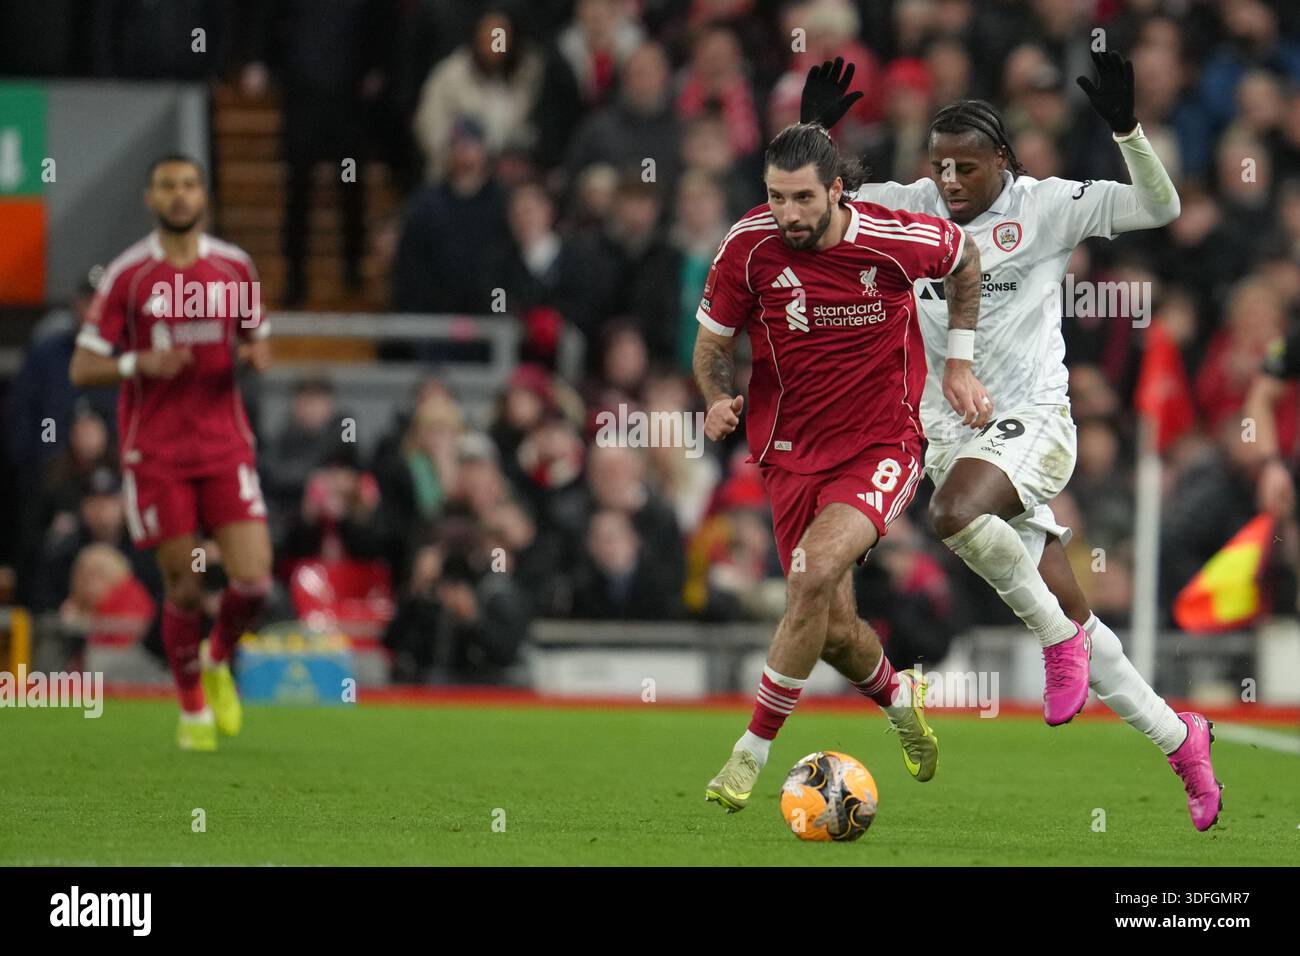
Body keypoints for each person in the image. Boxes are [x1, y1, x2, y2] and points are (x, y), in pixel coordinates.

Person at [802, 52, 1221, 830]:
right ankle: (1181, 739)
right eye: (941, 165)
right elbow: (808, 210)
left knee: (955, 515)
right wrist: (814, 131)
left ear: (1005, 162)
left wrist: (1128, 130)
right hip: (948, 432)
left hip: (1035, 417)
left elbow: (1160, 207)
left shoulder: (1049, 205)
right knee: (1077, 612)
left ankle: (1054, 643)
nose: (951, 180)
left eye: (968, 166)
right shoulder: (907, 205)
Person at [694, 121, 989, 812]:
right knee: (828, 627)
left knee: (812, 571)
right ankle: (896, 698)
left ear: (835, 190)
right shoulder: (746, 247)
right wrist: (714, 398)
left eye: (802, 198)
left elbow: (966, 257)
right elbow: (710, 345)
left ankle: (749, 754)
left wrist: (959, 361)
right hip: (790, 454)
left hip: (880, 444)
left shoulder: (894, 239)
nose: (788, 214)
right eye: (775, 198)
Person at [68, 155, 272, 752]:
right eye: (168, 187)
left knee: (254, 582)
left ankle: (218, 658)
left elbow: (257, 336)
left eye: (189, 185)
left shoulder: (235, 266)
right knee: (184, 588)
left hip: (224, 445)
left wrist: (259, 355)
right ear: (149, 198)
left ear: (203, 195)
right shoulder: (129, 276)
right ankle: (191, 708)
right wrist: (138, 363)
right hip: (156, 454)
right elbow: (83, 364)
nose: (180, 196)